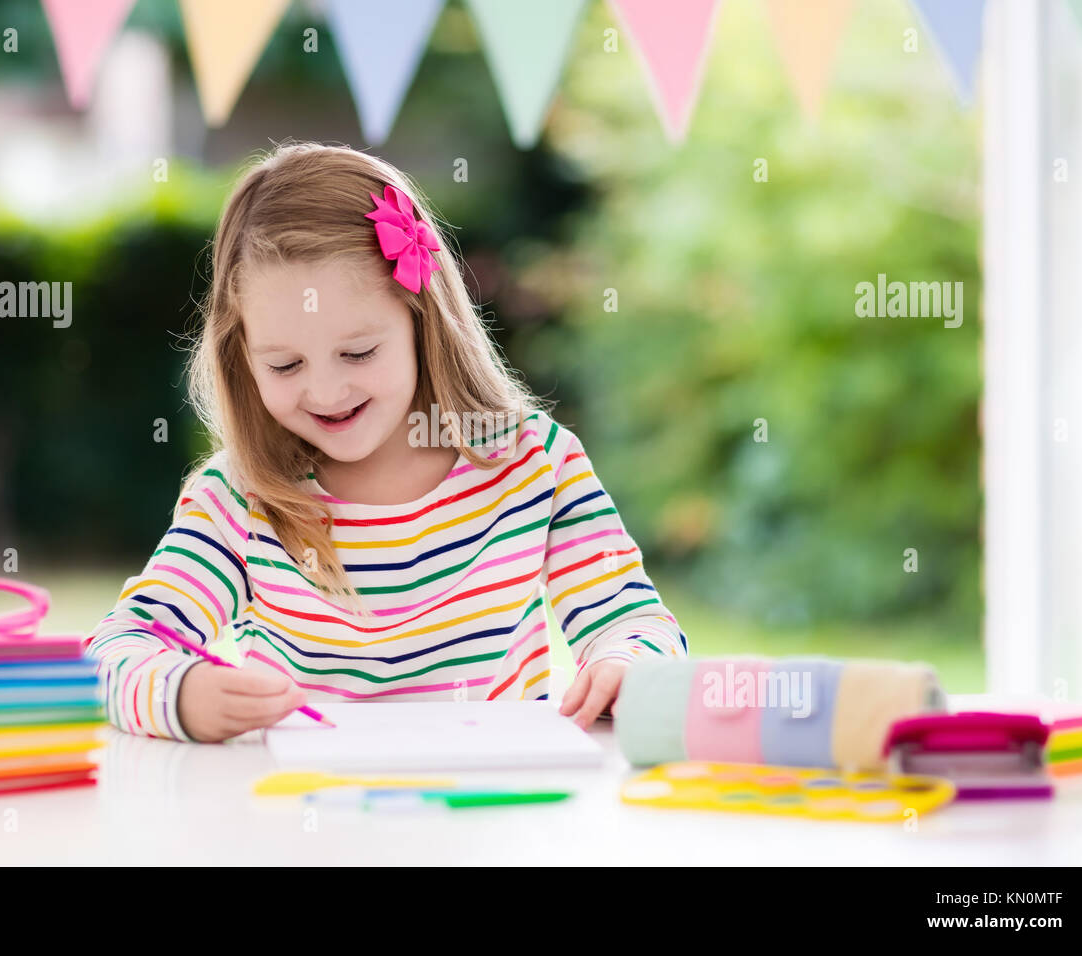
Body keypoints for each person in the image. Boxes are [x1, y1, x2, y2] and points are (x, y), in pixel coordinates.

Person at [85, 141, 688, 742]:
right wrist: (179, 694)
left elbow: (634, 623)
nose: (325, 390)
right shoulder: (239, 501)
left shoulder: (535, 462)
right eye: (285, 365)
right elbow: (112, 653)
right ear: (241, 356)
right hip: (306, 823)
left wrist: (626, 665)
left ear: (421, 320)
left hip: (490, 821)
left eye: (358, 352)